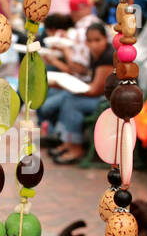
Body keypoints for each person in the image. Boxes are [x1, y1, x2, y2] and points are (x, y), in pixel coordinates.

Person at [37, 22, 114, 164]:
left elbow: (96, 89)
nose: (93, 45)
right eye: (90, 41)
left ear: (105, 39)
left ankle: (76, 147)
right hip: (98, 96)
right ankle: (68, 142)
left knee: (72, 102)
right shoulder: (95, 55)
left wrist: (71, 88)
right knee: (67, 97)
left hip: (108, 102)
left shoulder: (108, 57)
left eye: (97, 40)